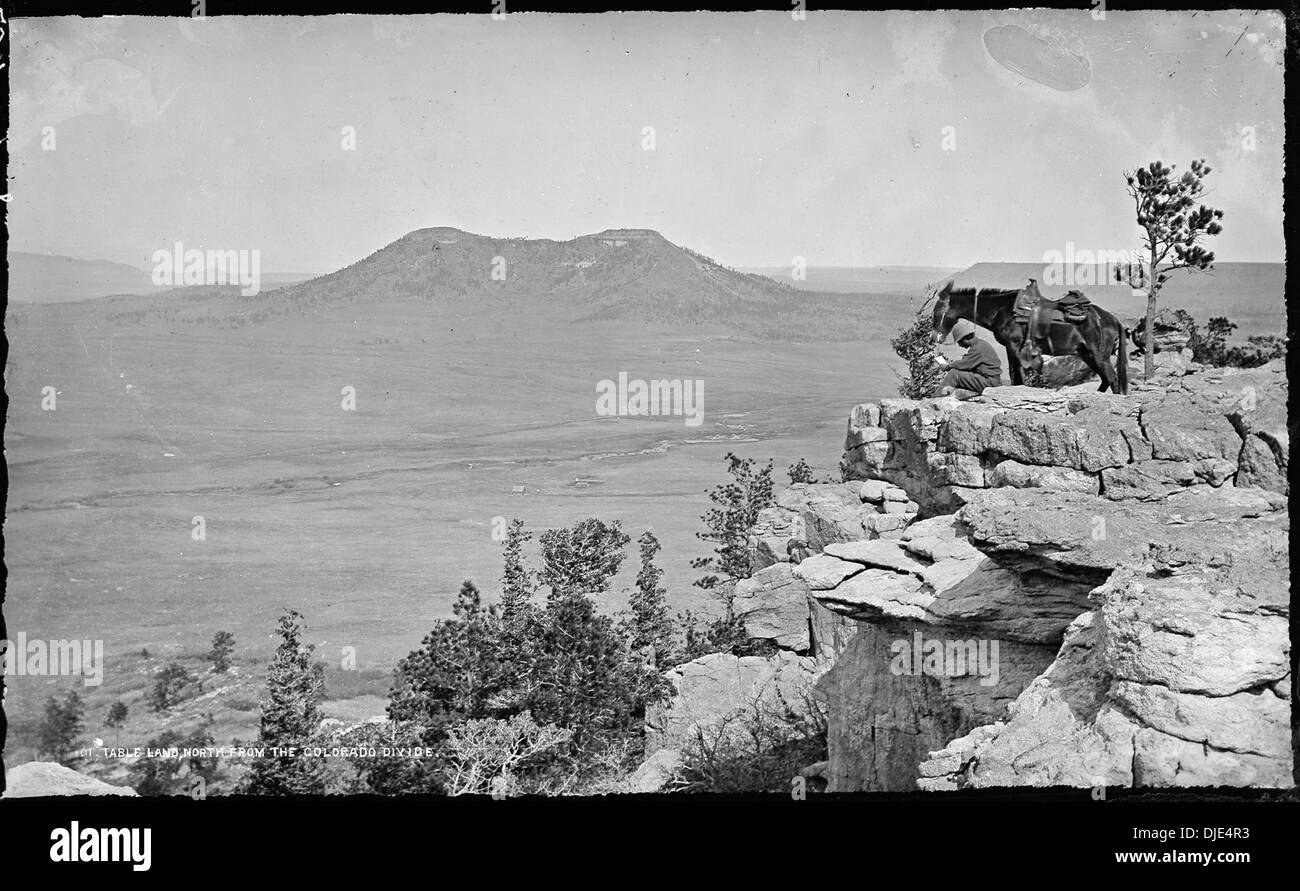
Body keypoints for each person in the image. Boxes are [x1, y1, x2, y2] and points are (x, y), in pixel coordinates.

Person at [936, 318, 1002, 397]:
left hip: (989, 382)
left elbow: (964, 364)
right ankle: (944, 396)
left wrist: (947, 366)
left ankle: (936, 399)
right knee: (957, 374)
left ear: (967, 337)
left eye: (960, 342)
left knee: (954, 374)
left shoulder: (978, 348)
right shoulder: (980, 344)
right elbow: (967, 364)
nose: (960, 345)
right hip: (991, 381)